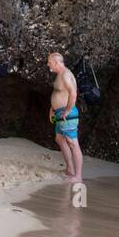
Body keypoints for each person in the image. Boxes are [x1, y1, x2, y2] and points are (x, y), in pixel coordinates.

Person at [48, 51, 83, 183]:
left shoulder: (66, 75)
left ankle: (78, 176)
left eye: (50, 62)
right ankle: (69, 169)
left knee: (73, 143)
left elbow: (73, 93)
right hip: (59, 113)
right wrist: (52, 109)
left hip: (67, 114)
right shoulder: (60, 75)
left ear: (57, 63)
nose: (48, 64)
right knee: (60, 139)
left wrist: (67, 110)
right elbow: (58, 93)